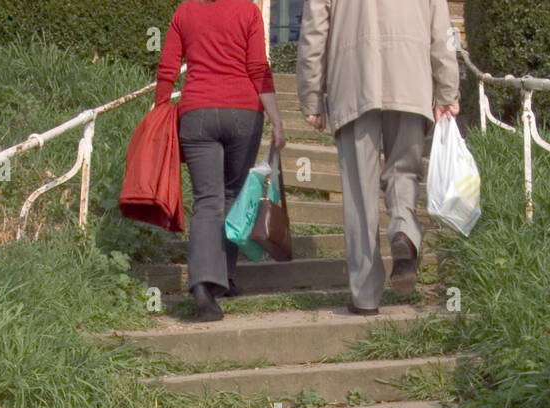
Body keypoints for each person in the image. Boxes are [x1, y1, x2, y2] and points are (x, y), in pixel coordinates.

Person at [296, 0, 460, 315]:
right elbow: (442, 30)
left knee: (359, 191)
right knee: (404, 172)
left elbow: (313, 33)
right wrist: (447, 90)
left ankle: (366, 295)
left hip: (353, 80)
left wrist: (312, 96)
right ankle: (402, 229)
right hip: (411, 78)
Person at [155, 0, 287, 322]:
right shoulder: (247, 11)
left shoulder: (185, 11)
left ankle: (204, 284)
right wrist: (277, 120)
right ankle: (225, 278)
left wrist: (159, 112)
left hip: (197, 111)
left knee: (207, 199)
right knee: (232, 194)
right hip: (244, 113)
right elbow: (258, 67)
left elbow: (168, 66)